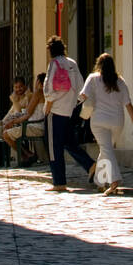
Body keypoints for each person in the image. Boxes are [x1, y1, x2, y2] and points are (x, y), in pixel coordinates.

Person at [78, 53, 133, 195]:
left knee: (106, 149)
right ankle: (100, 180)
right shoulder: (120, 82)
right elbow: (128, 104)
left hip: (99, 121)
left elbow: (82, 97)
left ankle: (114, 179)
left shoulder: (93, 78)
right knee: (106, 149)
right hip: (117, 122)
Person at [42, 37, 94, 192]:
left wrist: (49, 105)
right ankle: (89, 164)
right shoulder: (72, 63)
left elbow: (49, 87)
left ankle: (59, 181)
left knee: (53, 147)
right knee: (69, 142)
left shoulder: (54, 64)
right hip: (68, 111)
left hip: (54, 110)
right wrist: (72, 104)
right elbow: (80, 87)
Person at [2, 72, 46, 163]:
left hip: (35, 127)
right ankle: (29, 154)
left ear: (38, 82)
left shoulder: (38, 93)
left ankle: (27, 155)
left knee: (6, 134)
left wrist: (13, 122)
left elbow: (27, 113)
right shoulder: (48, 93)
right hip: (39, 125)